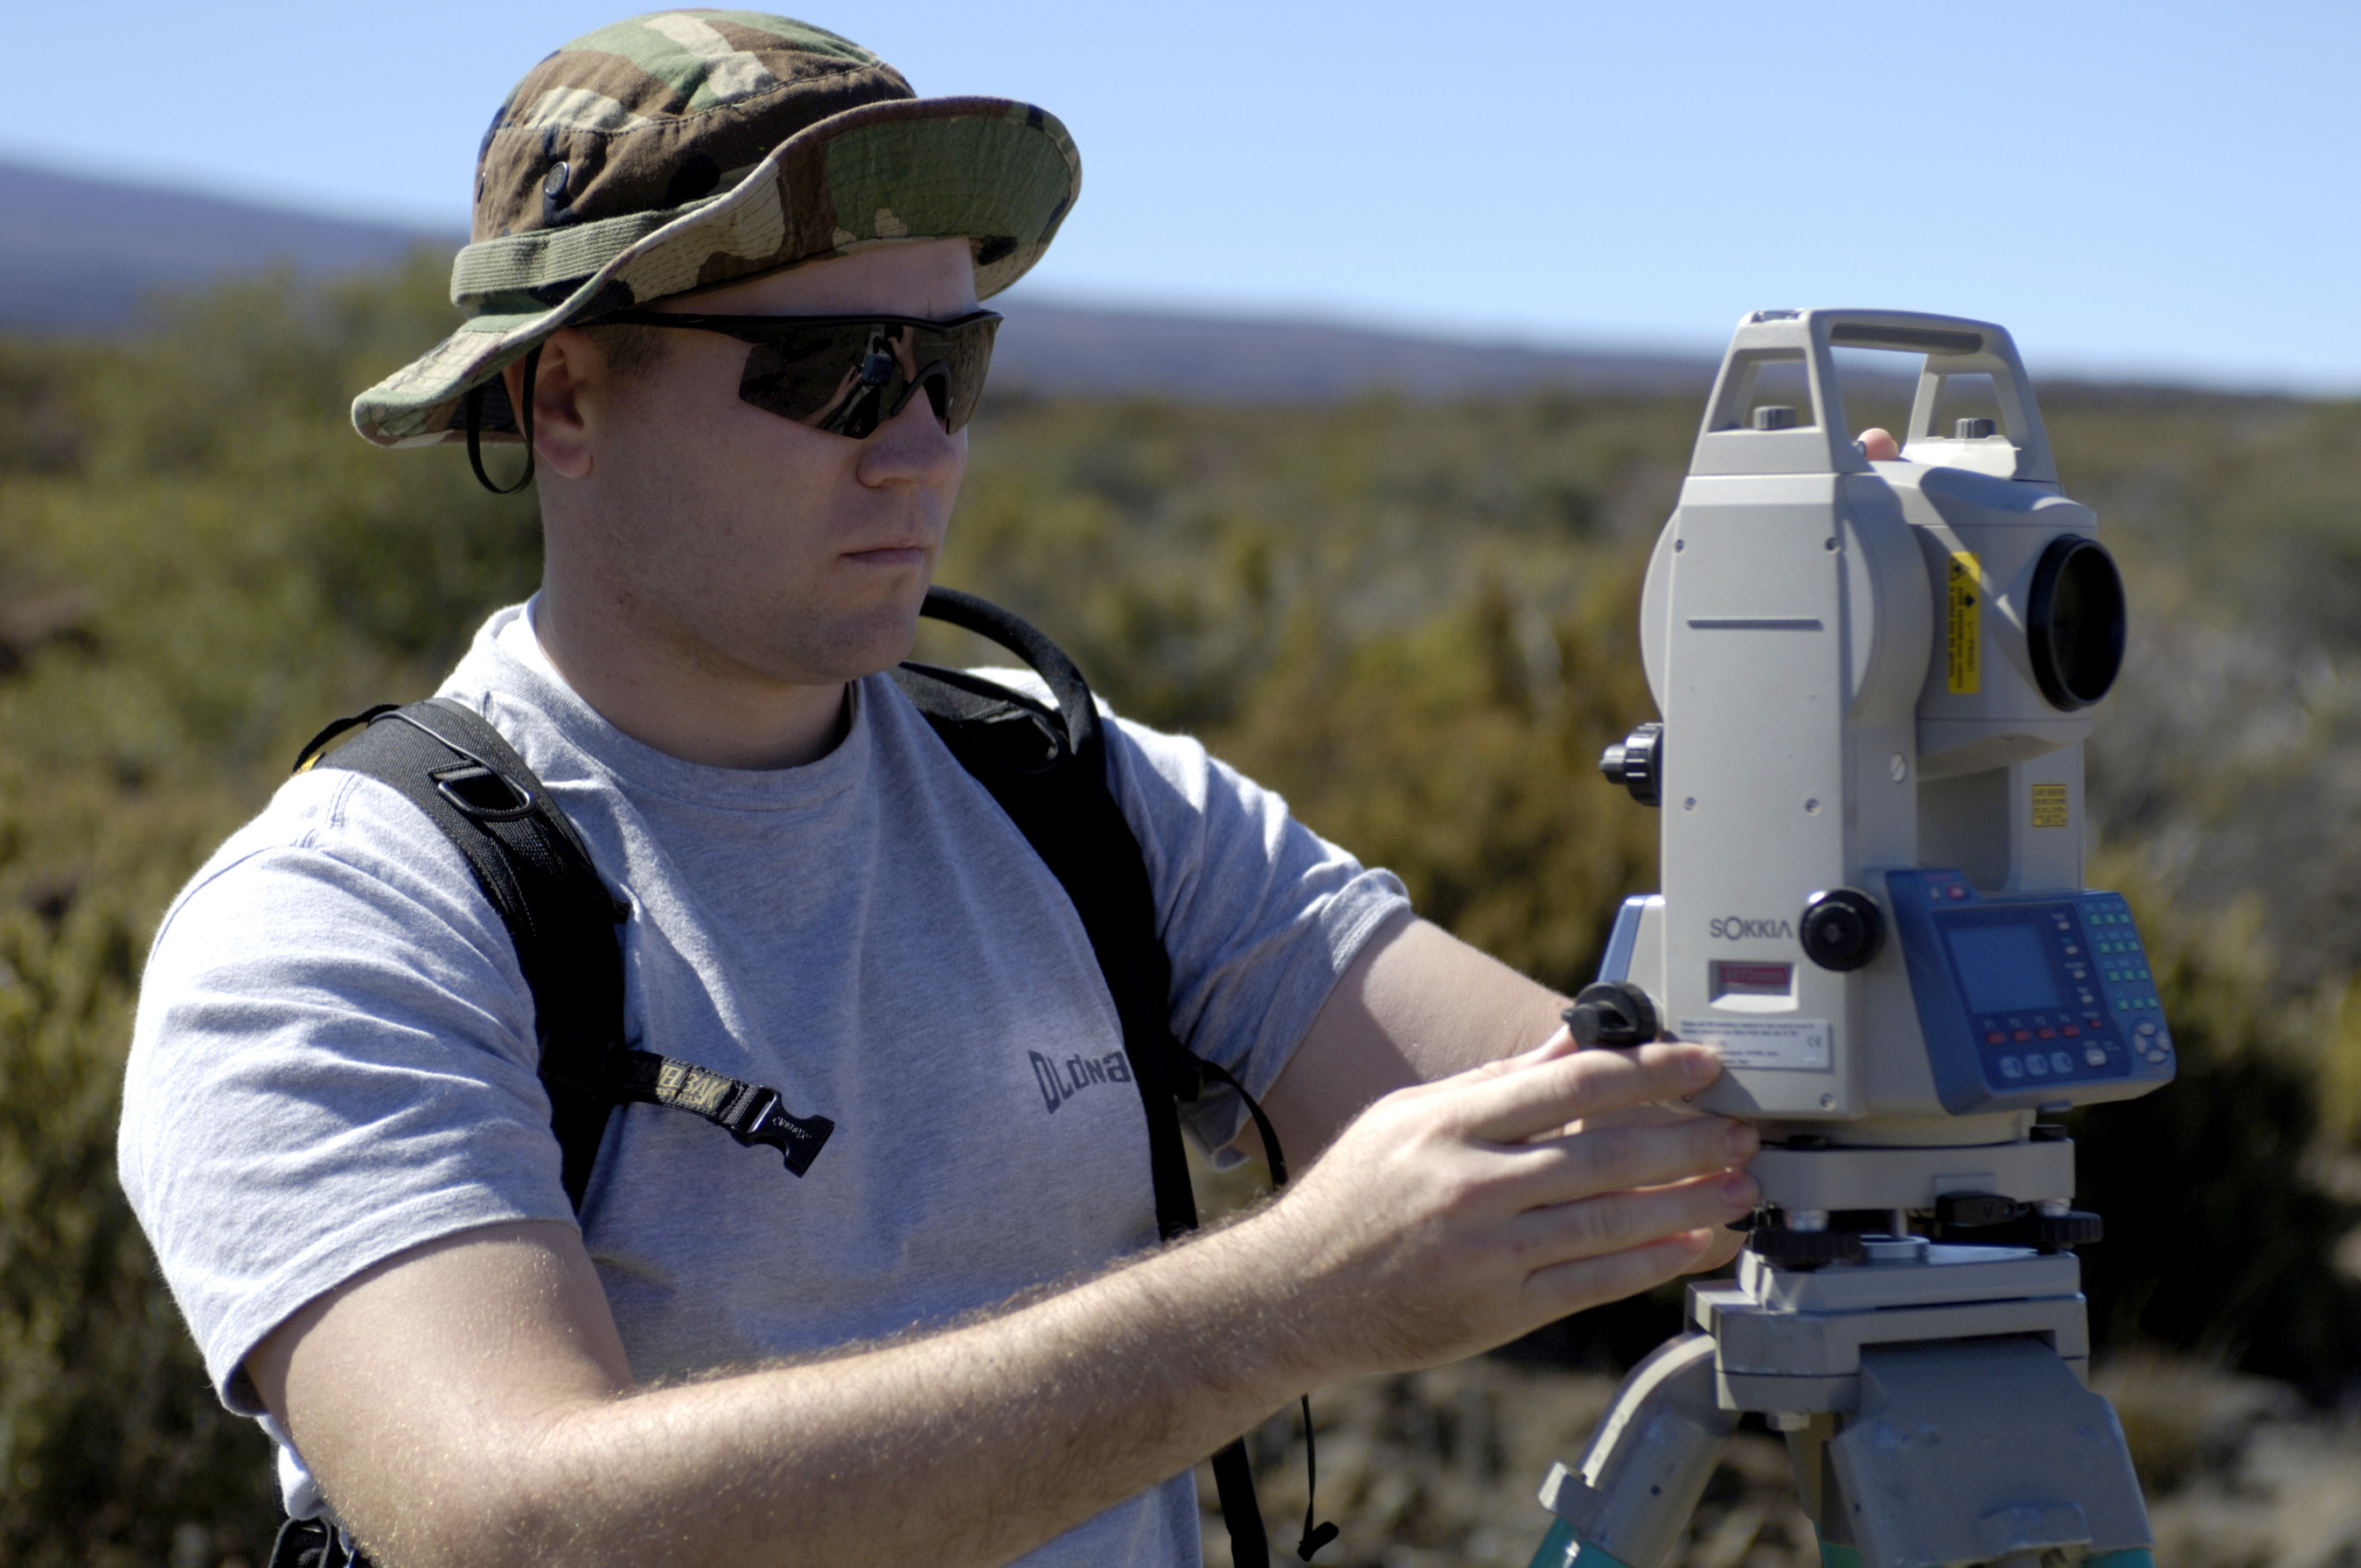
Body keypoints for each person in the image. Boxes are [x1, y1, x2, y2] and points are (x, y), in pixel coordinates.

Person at [117, 14, 1762, 1568]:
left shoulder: (1084, 798)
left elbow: (1642, 1137)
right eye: (828, 369)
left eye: (947, 365)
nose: (917, 449)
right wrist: (1282, 1305)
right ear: (564, 397)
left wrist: (1858, 794)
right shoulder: (341, 924)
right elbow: (511, 1526)